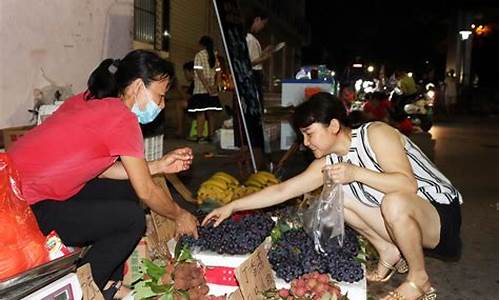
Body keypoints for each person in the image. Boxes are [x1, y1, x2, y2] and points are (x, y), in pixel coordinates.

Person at [203, 92, 462, 300]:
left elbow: (407, 186)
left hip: (438, 214)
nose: (305, 143)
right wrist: (233, 206)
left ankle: (419, 278)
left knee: (392, 200)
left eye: (309, 133)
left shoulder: (376, 134)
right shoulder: (329, 162)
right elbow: (283, 190)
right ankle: (389, 250)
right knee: (336, 194)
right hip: (405, 216)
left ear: (334, 126)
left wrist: (356, 173)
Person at [8, 50, 199, 299]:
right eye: (160, 96)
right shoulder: (122, 120)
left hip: (20, 195)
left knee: (125, 191)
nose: (162, 106)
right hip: (22, 212)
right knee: (131, 219)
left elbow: (101, 168)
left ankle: (110, 281)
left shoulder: (90, 102)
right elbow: (147, 191)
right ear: (139, 86)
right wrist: (180, 214)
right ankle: (82, 290)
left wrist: (158, 166)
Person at [186, 36, 223, 143]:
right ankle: (211, 136)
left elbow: (199, 73)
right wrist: (216, 85)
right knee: (210, 113)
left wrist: (207, 87)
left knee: (200, 113)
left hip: (201, 89)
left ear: (202, 45)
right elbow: (219, 71)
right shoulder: (213, 56)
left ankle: (200, 136)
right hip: (212, 90)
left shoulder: (199, 55)